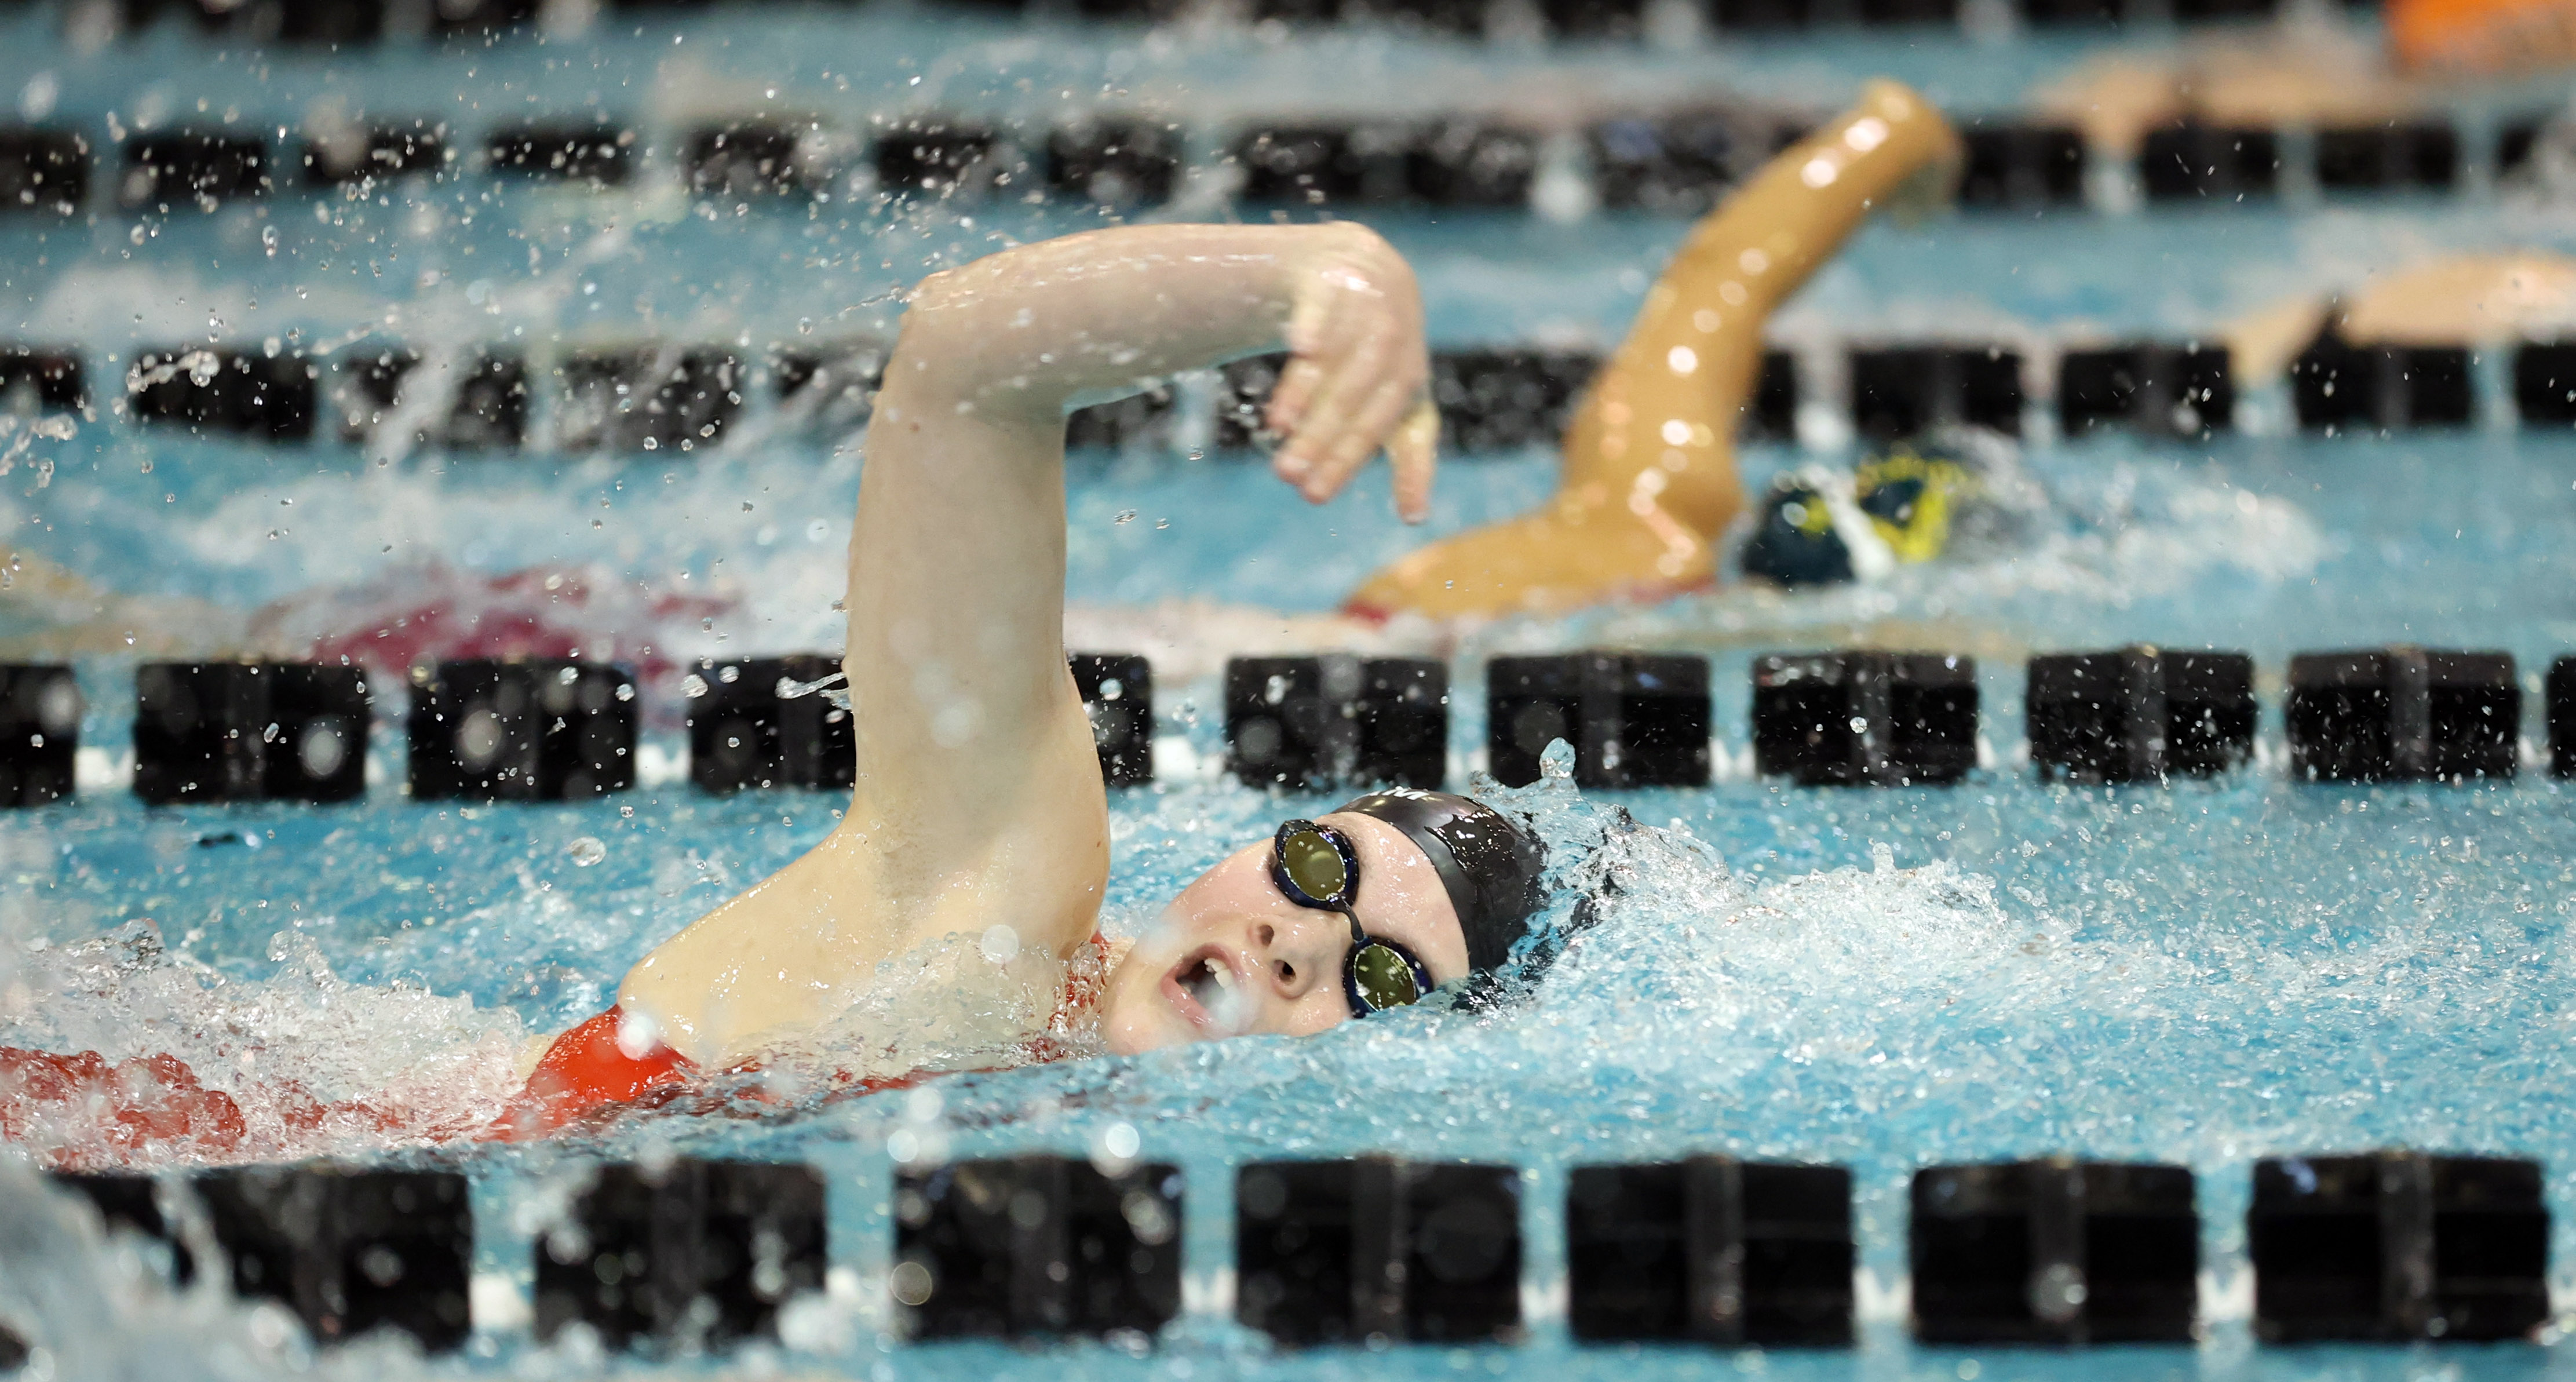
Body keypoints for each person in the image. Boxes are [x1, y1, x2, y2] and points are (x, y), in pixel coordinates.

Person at [494, 219, 1556, 1137]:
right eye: (1318, 868)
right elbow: (966, 363)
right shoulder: (998, 915)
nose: (1301, 941)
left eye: (1383, 980)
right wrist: (1319, 268)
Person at [1342, 79, 1962, 623]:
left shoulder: (1661, 494)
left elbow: (1726, 275)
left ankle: (1895, 135)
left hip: (1395, 620)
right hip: (1407, 623)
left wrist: (1893, 140)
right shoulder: (1672, 546)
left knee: (1714, 292)